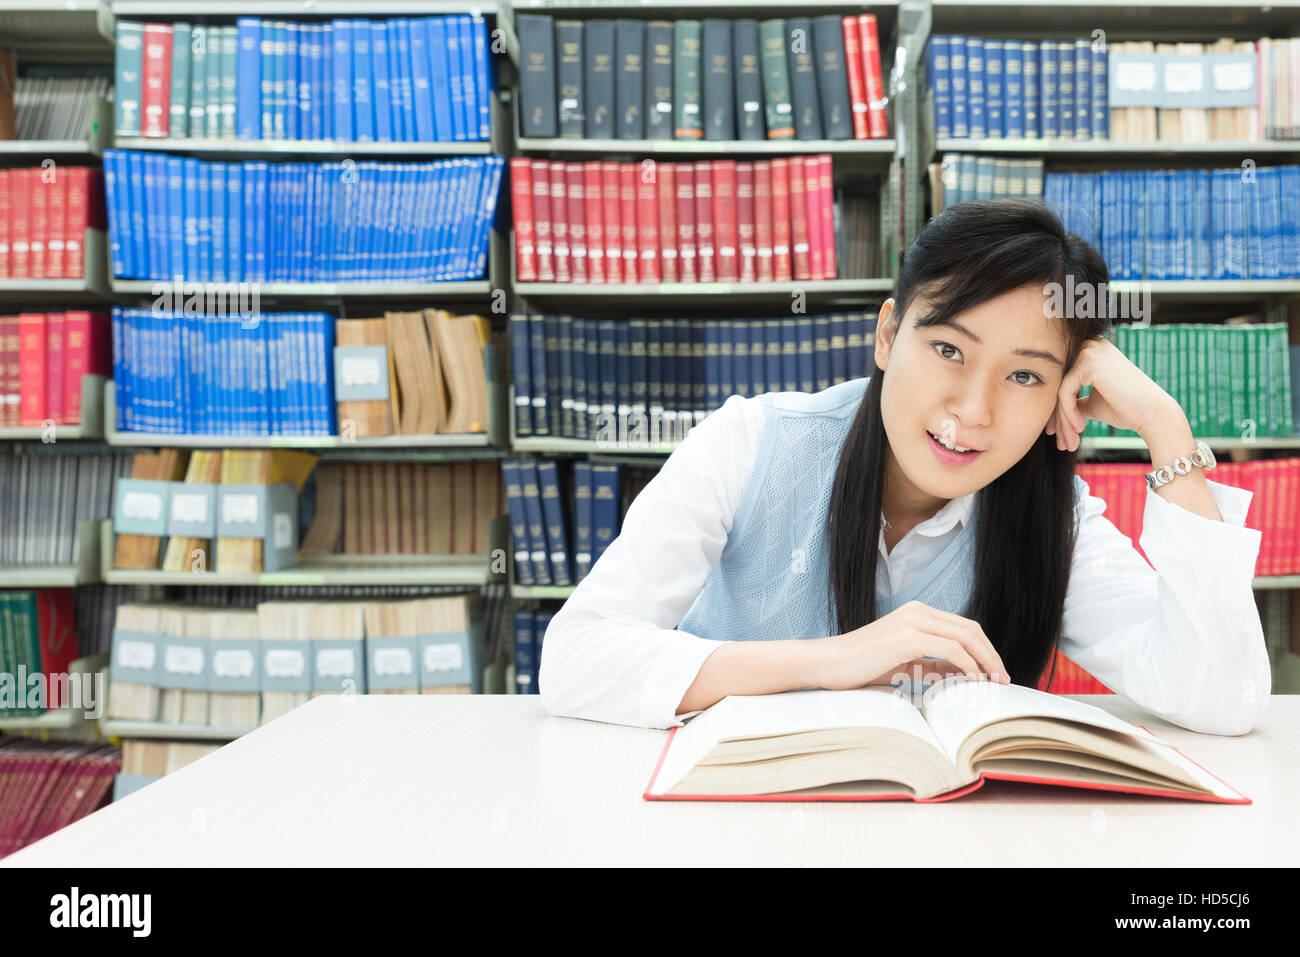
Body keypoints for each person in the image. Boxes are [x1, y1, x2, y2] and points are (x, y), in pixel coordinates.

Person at [538, 199, 1271, 736]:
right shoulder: (750, 445)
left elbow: (1222, 697)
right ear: (889, 334)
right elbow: (576, 657)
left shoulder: (1053, 517)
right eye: (949, 349)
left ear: (1061, 394)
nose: (973, 409)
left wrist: (1164, 426)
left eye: (1024, 376)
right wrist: (833, 659)